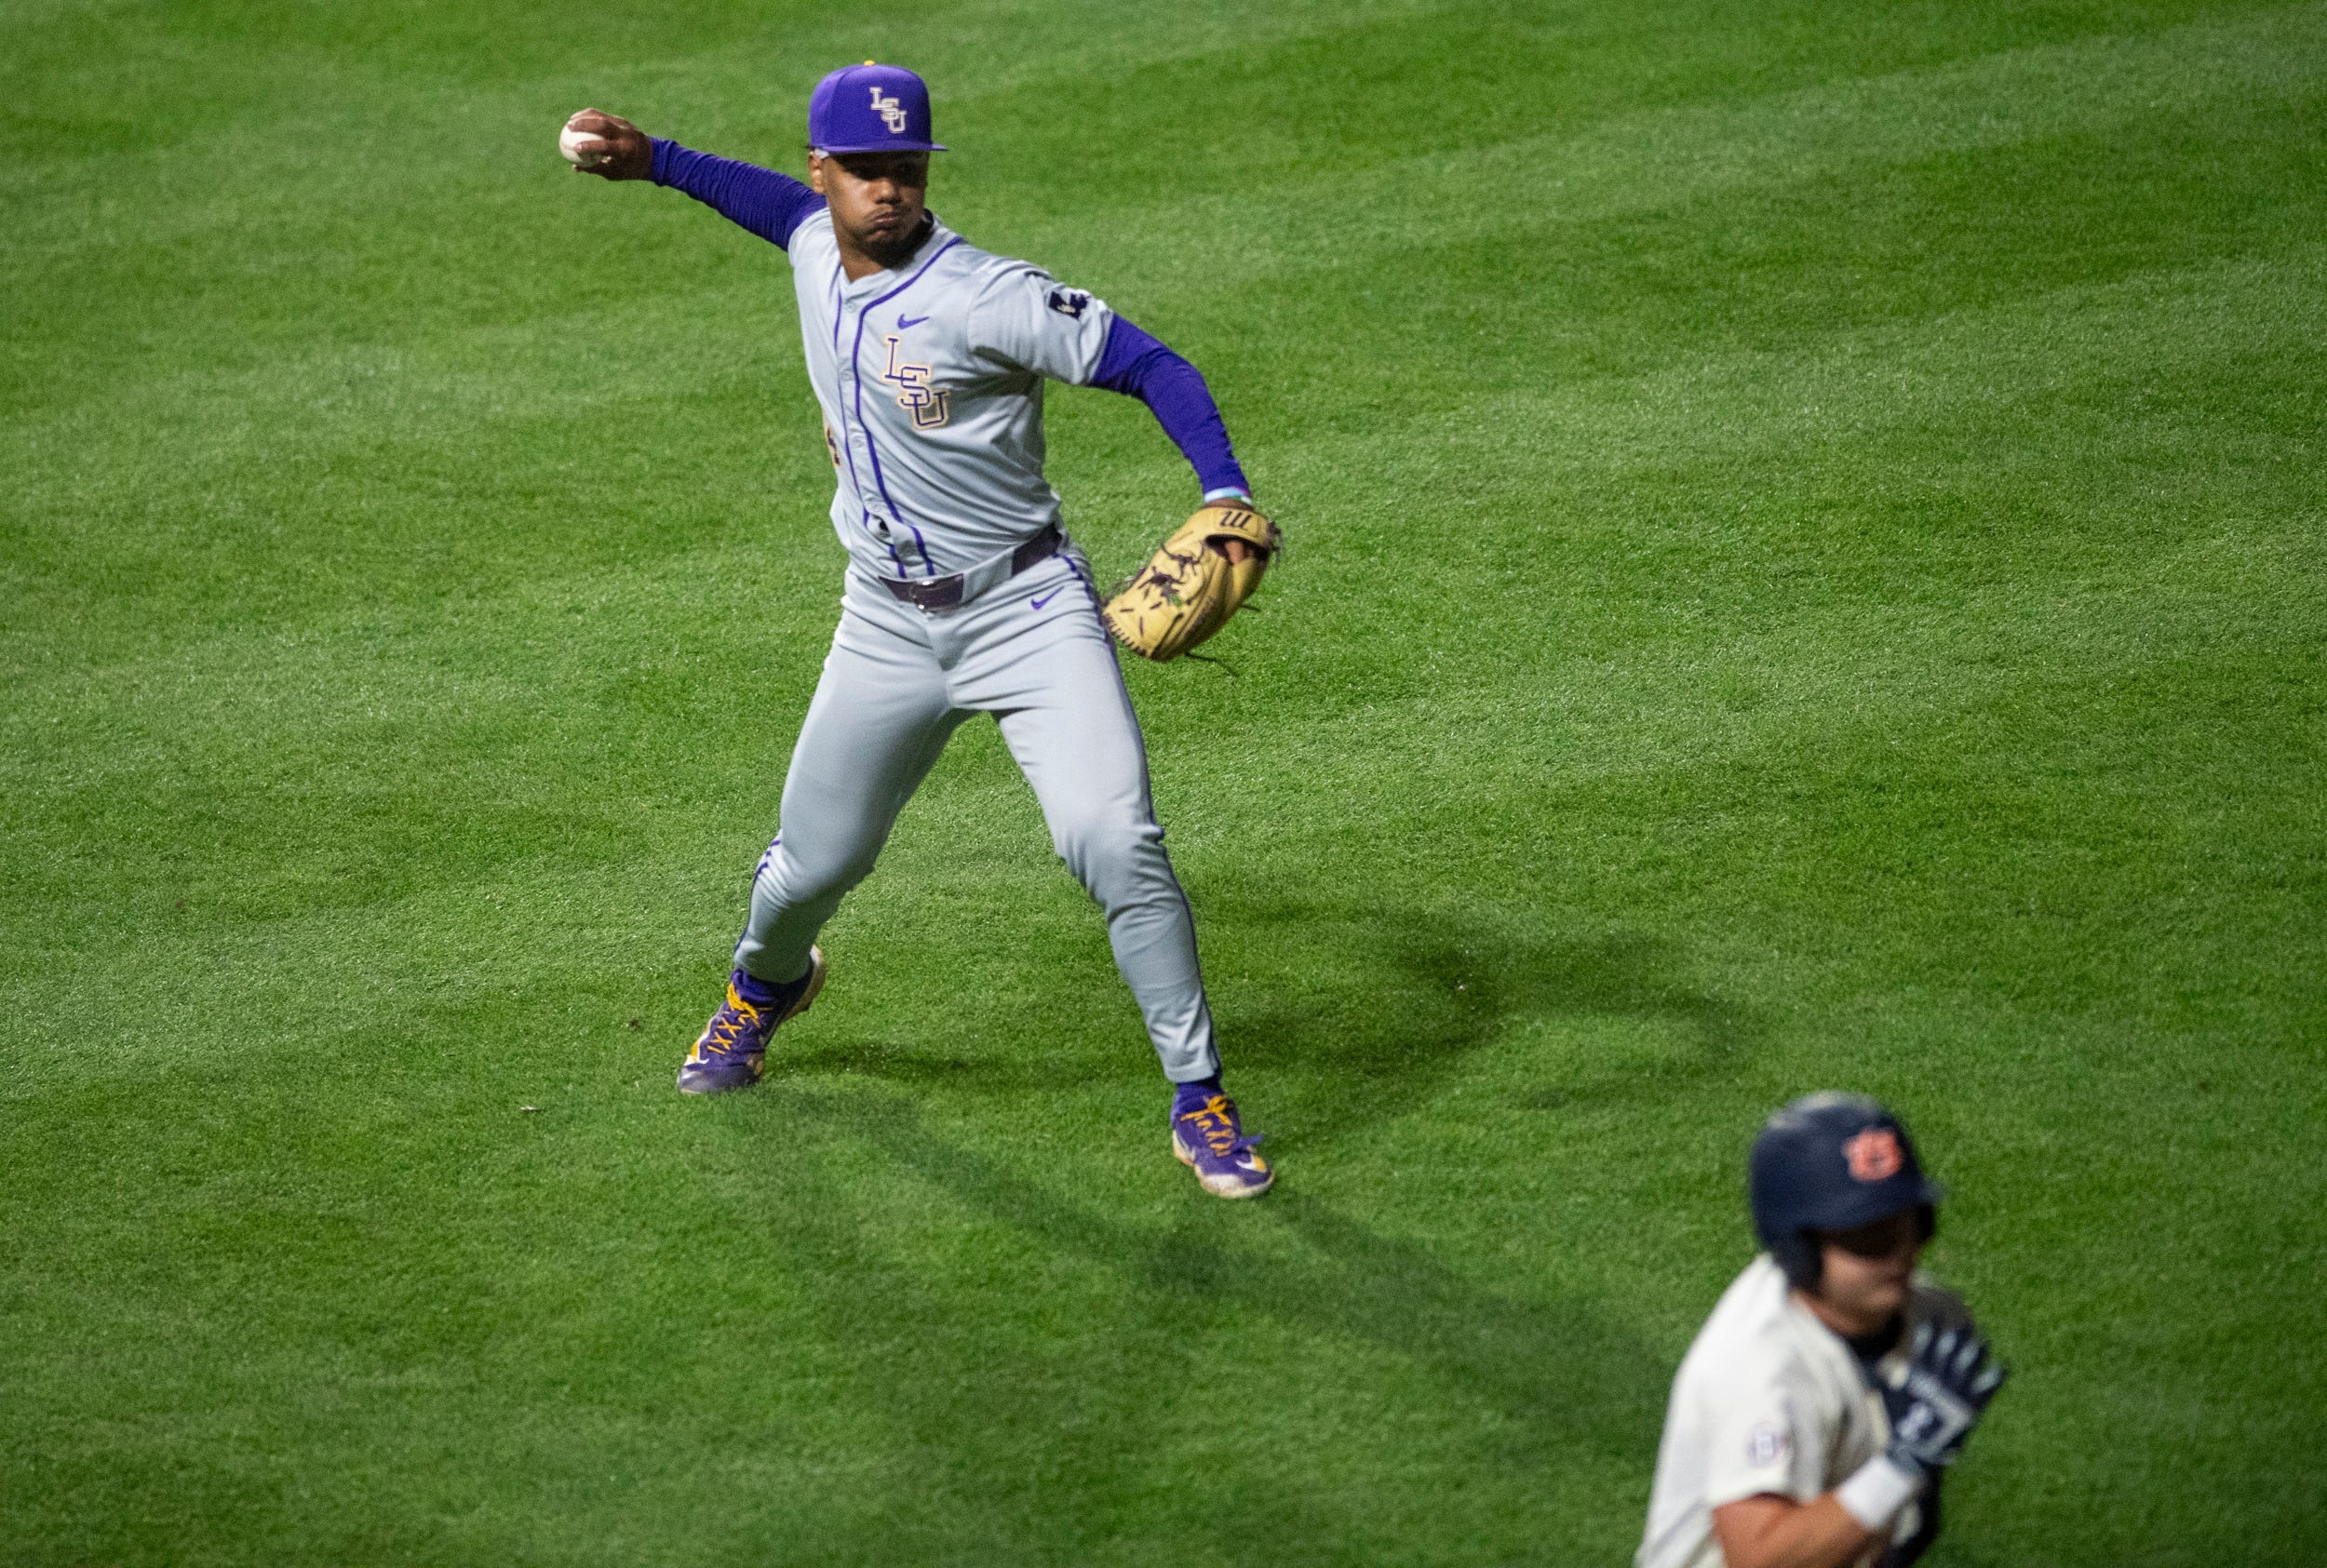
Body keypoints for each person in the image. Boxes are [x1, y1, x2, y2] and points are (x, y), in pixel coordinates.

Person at [558, 63, 1273, 1199]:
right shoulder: (805, 236)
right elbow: (761, 204)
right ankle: (765, 985)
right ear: (824, 173)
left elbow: (1152, 363)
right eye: (866, 171)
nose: (889, 190)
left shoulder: (989, 294)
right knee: (808, 869)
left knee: (1116, 841)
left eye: (907, 170)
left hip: (1029, 614)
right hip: (885, 624)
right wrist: (653, 160)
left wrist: (1223, 483)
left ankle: (1202, 1096)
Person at [1637, 1093, 2008, 1567]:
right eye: (1867, 1238)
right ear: (1800, 1251)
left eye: (1909, 1225)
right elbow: (1758, 1560)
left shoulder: (1933, 1325)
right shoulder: (1760, 1366)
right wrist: (1899, 1467)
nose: (1898, 1253)